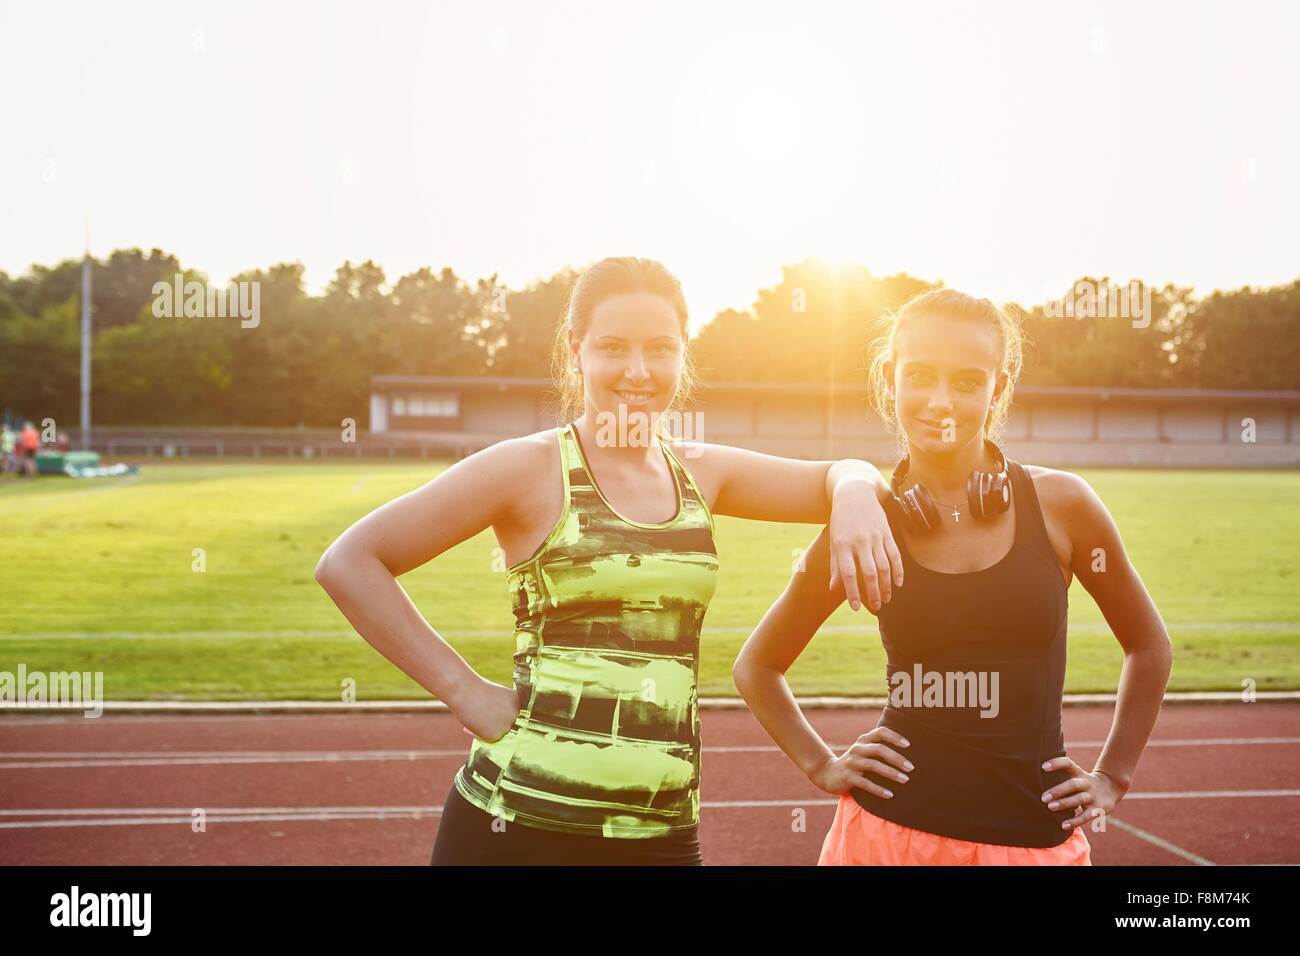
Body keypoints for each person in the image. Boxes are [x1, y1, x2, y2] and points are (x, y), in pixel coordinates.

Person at [315, 256, 903, 866]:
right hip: (515, 823)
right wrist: (465, 692)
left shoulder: (704, 471)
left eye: (660, 348)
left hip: (662, 834)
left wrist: (855, 489)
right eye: (614, 347)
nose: (639, 371)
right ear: (576, 350)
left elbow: (844, 472)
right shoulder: (527, 467)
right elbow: (351, 561)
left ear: (683, 352)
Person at [733, 289, 1174, 865]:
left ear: (1000, 386)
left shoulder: (1063, 504)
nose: (940, 401)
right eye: (920, 376)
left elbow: (1149, 645)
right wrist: (823, 764)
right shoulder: (865, 523)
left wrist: (1114, 776)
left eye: (967, 382)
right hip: (887, 838)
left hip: (1032, 841)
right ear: (890, 378)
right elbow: (757, 666)